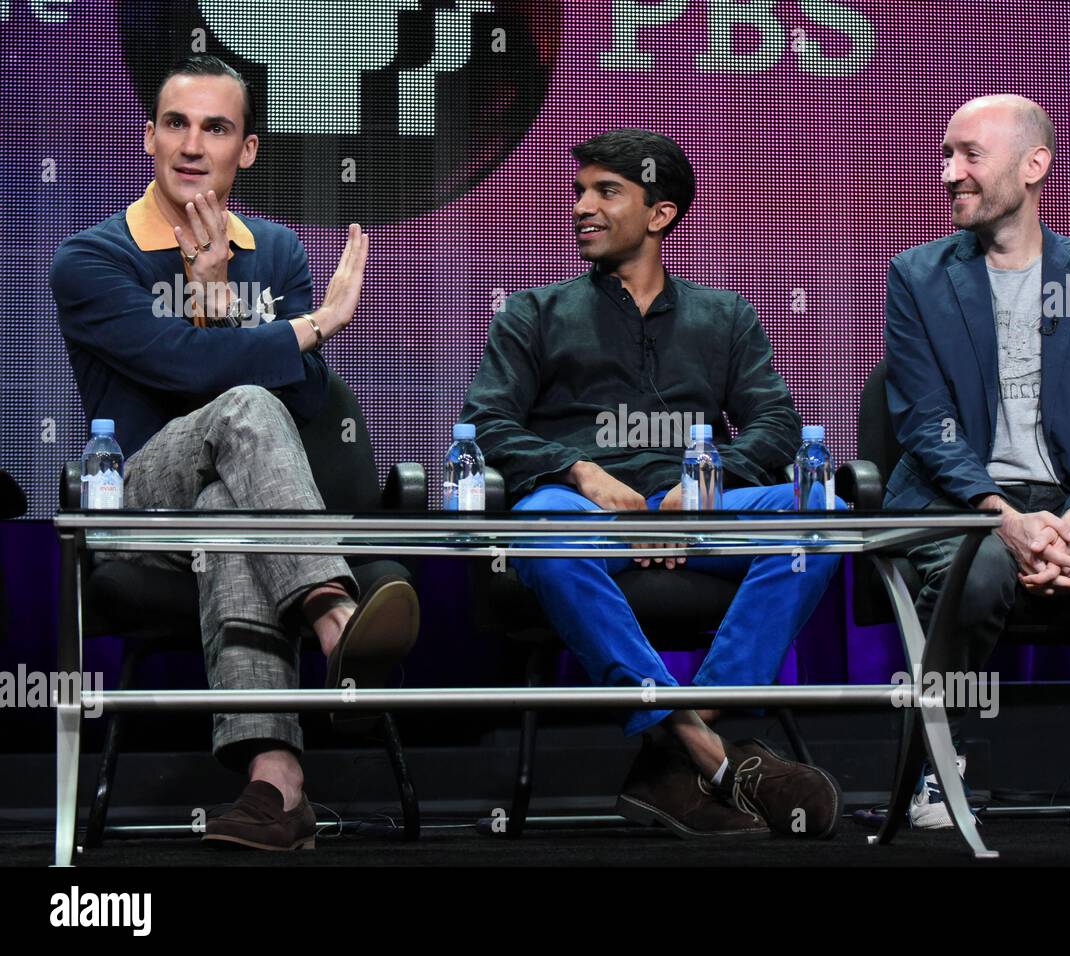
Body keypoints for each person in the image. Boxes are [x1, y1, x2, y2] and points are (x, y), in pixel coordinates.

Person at [50, 55, 420, 850]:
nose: (192, 145)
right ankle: (332, 611)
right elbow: (181, 372)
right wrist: (306, 325)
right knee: (247, 403)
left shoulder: (276, 253)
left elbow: (311, 400)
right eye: (176, 124)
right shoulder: (91, 260)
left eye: (215, 127)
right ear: (147, 138)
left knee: (232, 508)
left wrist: (226, 309)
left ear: (245, 150)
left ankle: (276, 790)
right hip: (143, 502)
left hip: (230, 509)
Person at [461, 129, 845, 839]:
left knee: (823, 511)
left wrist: (703, 485)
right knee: (543, 526)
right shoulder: (532, 313)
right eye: (579, 191)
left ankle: (678, 742)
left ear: (660, 214)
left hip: (697, 510)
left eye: (606, 191)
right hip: (582, 509)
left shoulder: (724, 316)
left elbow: (776, 425)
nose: (582, 206)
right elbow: (486, 423)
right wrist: (579, 471)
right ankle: (704, 746)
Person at [883, 95, 1070, 829]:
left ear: (1034, 164)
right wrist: (1006, 520)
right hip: (962, 502)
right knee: (976, 573)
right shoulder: (916, 277)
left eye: (968, 155)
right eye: (945, 155)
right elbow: (925, 422)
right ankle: (941, 756)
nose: (948, 172)